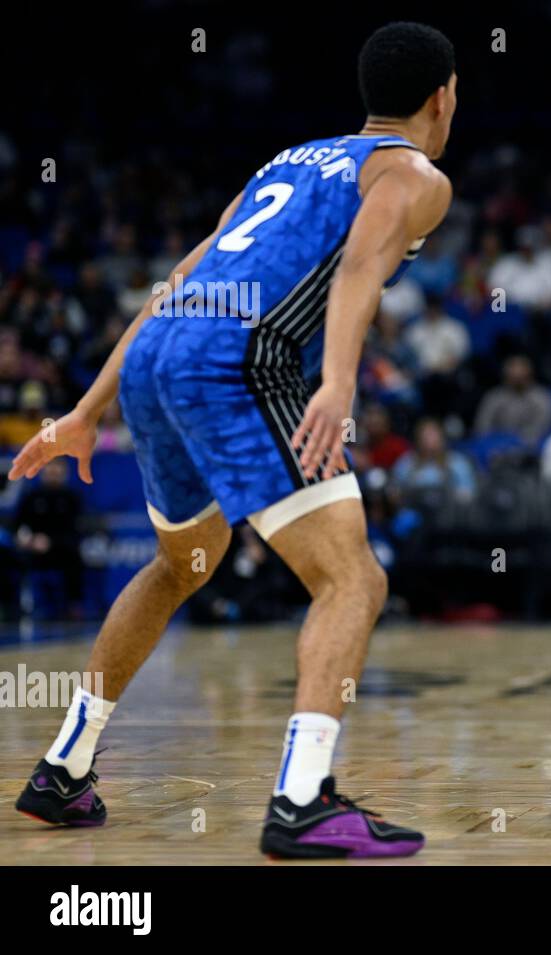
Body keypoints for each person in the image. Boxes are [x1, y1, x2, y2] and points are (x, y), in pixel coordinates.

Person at [7, 22, 456, 857]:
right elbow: (362, 265)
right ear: (444, 97)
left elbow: (181, 277)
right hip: (239, 363)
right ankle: (302, 799)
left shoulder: (284, 162)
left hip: (161, 357)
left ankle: (64, 768)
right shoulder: (414, 173)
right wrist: (338, 380)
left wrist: (87, 408)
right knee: (351, 579)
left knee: (185, 564)